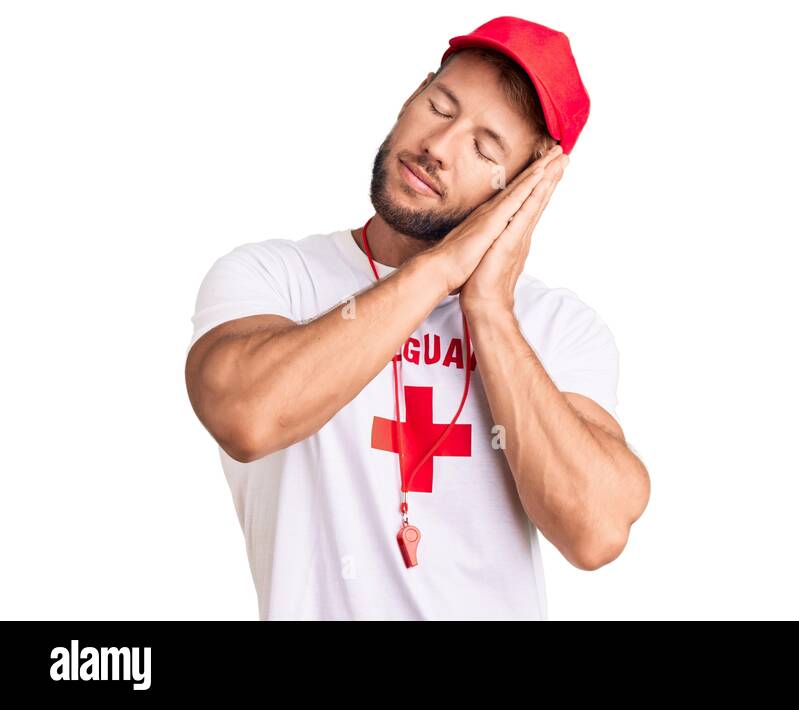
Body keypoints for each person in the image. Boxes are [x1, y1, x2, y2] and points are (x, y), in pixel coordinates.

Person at [184, 16, 650, 620]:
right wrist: (438, 271)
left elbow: (596, 530)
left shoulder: (557, 327)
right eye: (440, 106)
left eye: (485, 147)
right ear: (412, 94)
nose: (439, 146)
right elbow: (244, 413)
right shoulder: (274, 278)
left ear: (524, 188)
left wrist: (488, 308)